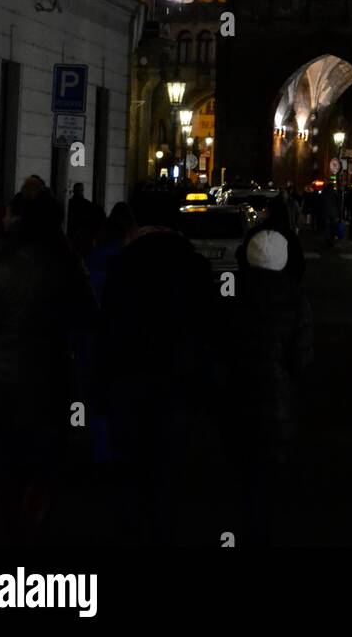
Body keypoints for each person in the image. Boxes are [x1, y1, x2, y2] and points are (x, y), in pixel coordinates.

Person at [0, 188, 98, 541]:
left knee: (6, 457)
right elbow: (89, 318)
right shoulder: (66, 265)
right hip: (50, 375)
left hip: (3, 375)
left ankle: (8, 522)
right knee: (46, 457)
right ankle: (35, 522)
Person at [96, 187, 222, 545]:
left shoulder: (123, 263)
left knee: (130, 473)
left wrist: (101, 387)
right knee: (167, 473)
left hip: (128, 382)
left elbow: (109, 328)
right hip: (176, 384)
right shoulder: (193, 265)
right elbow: (207, 331)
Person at [230, 230, 313, 544]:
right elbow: (302, 359)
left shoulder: (232, 294)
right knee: (273, 479)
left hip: (235, 398)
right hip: (277, 403)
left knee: (243, 476)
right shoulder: (295, 298)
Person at [237, 196, 305, 282]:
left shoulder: (254, 233)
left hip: (257, 285)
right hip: (283, 285)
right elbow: (298, 264)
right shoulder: (290, 235)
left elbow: (244, 258)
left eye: (265, 209)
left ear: (269, 212)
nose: (263, 211)